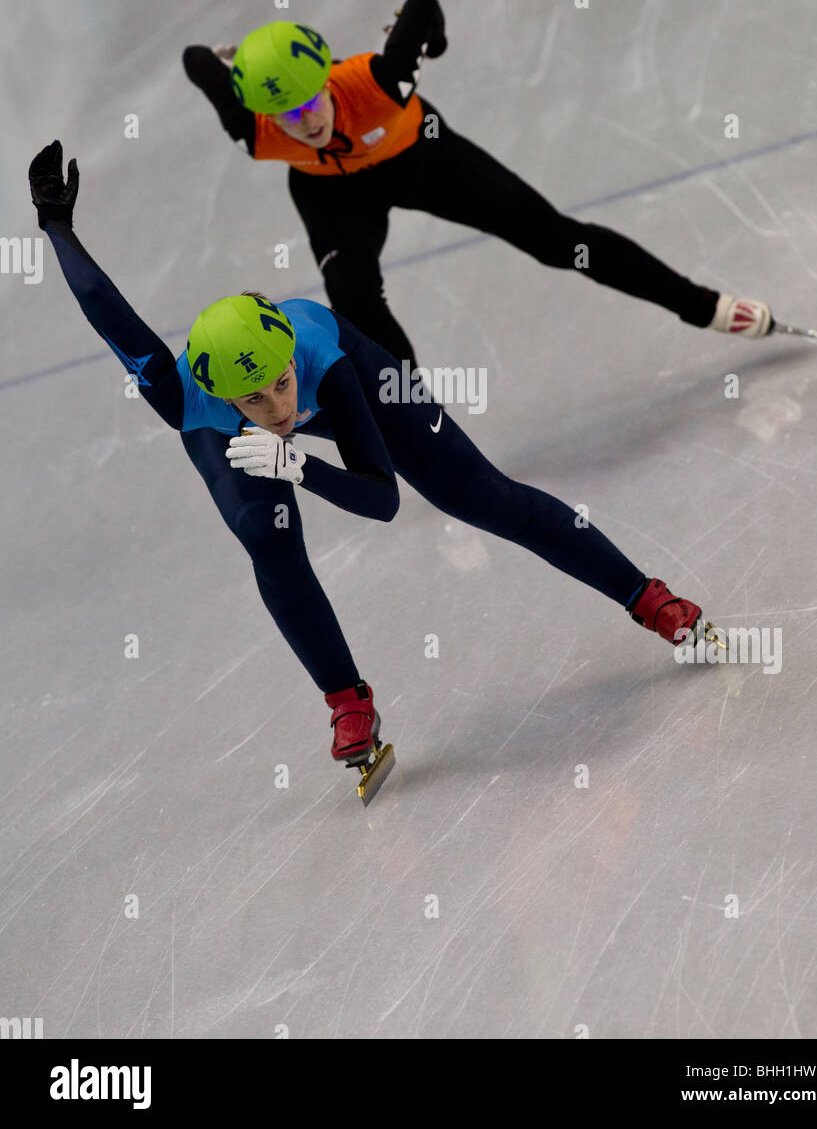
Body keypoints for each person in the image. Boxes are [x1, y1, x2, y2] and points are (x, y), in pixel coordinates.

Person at [30, 140, 721, 774]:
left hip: (359, 379)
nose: (276, 405)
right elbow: (104, 306)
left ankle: (647, 597)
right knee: (266, 539)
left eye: (280, 382)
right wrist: (56, 226)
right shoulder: (185, 397)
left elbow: (383, 499)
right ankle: (347, 701)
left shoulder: (319, 358)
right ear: (220, 393)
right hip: (225, 432)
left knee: (482, 495)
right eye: (257, 398)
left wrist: (300, 463)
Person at [182, 0, 775, 370]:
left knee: (556, 240)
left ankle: (706, 306)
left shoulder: (381, 81)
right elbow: (193, 59)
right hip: (331, 192)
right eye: (287, 114)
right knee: (352, 294)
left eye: (312, 100)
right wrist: (225, 64)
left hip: (421, 157)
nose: (306, 121)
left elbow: (423, 3)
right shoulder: (253, 130)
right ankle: (416, 420)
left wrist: (430, 42)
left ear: (325, 79)